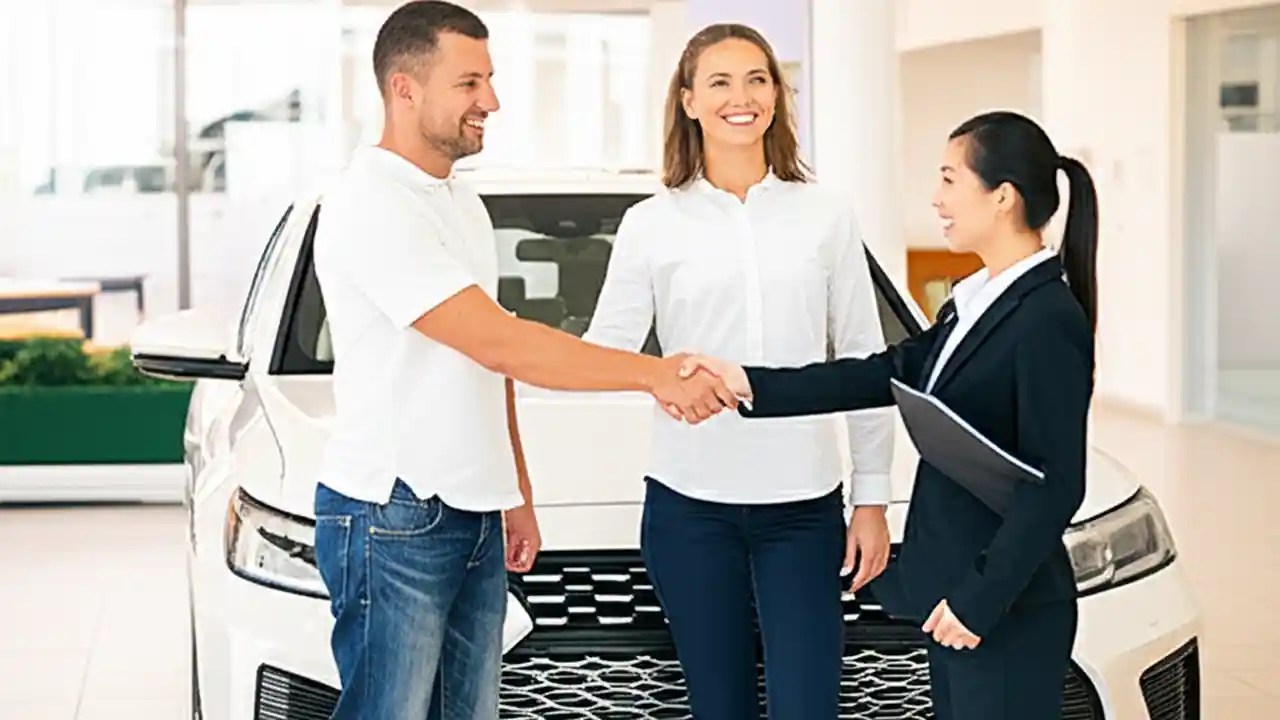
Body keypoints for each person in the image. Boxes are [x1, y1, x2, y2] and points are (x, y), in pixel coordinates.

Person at [310, 3, 736, 718]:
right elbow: (497, 341)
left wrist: (514, 491)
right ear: (404, 89)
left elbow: (487, 360)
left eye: (491, 79)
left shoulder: (460, 202)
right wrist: (654, 372)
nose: (492, 101)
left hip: (471, 508)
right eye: (469, 82)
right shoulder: (369, 203)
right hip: (393, 513)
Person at [684, 110, 1100, 720]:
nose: (936, 200)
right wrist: (751, 383)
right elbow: (882, 372)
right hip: (955, 599)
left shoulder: (1046, 319)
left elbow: (1057, 483)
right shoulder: (977, 303)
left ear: (1003, 197)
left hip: (1001, 609)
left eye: (950, 181)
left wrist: (978, 601)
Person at [581, 23, 895, 719]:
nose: (741, 97)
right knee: (718, 708)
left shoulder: (827, 215)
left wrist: (871, 498)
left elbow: (866, 363)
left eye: (757, 79)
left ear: (778, 97)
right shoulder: (650, 224)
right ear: (688, 100)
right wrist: (656, 373)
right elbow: (607, 352)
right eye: (719, 82)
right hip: (688, 508)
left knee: (809, 707)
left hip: (804, 507)